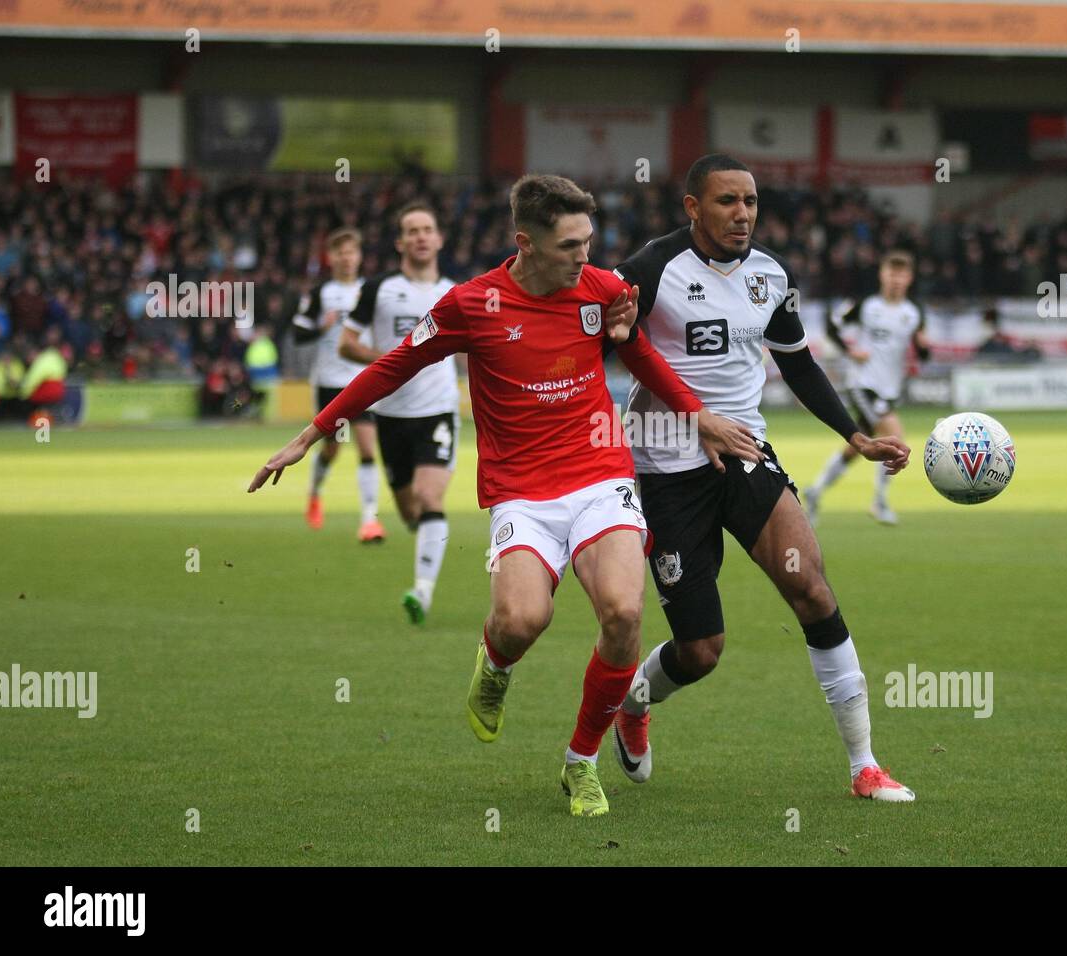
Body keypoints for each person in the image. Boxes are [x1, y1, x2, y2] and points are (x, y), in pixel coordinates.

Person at [248, 174, 760, 817]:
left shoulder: (600, 289)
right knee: (522, 621)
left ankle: (580, 763)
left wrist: (697, 415)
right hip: (521, 490)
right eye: (571, 245)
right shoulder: (473, 304)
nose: (586, 257)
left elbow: (642, 358)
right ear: (526, 243)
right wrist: (313, 432)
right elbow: (392, 364)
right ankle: (494, 665)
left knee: (625, 615)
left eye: (589, 241)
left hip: (601, 474)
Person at [610, 154, 917, 803]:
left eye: (749, 201)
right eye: (726, 201)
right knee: (701, 650)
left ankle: (865, 765)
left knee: (810, 586)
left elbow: (799, 364)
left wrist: (854, 436)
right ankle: (633, 702)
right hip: (666, 466)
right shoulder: (650, 269)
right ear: (693, 207)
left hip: (747, 454)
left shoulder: (771, 274)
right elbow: (601, 336)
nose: (742, 213)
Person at [334, 206, 460, 623]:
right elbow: (346, 344)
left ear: (439, 239)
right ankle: (425, 539)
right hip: (389, 414)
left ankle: (421, 593)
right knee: (410, 511)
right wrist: (391, 359)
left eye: (428, 229)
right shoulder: (378, 289)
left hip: (438, 411)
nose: (421, 237)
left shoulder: (457, 293)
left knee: (429, 497)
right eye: (412, 231)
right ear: (400, 243)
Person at [804, 249, 927, 526]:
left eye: (902, 274)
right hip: (863, 385)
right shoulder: (866, 305)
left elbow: (923, 351)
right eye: (891, 273)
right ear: (882, 275)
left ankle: (815, 491)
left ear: (909, 278)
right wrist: (850, 351)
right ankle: (880, 502)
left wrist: (922, 349)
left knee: (857, 447)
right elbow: (832, 324)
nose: (896, 279)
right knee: (894, 436)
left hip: (890, 389)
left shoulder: (914, 312)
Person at [290, 228, 384, 544]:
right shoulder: (321, 294)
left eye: (351, 252)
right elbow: (298, 333)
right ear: (331, 258)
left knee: (368, 449)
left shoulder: (371, 291)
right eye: (340, 253)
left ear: (359, 257)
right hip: (330, 382)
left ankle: (370, 520)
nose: (346, 258)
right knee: (332, 449)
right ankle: (315, 492)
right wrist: (321, 327)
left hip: (364, 380)